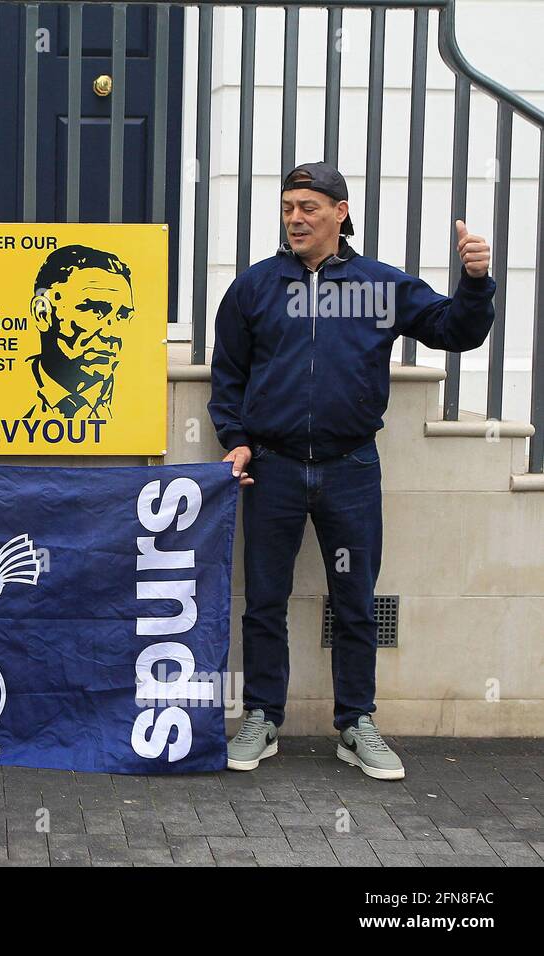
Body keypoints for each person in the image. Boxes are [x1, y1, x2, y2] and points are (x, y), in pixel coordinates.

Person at [209, 162, 495, 780]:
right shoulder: (255, 288)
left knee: (355, 602)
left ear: (341, 212)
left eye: (309, 207)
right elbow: (227, 375)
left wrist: (475, 281)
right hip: (274, 469)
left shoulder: (378, 285)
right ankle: (261, 716)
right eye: (288, 207)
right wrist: (235, 440)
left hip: (351, 468)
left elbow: (456, 330)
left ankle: (356, 723)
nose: (295, 218)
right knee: (264, 600)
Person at [25, 245, 135, 420]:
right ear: (43, 314)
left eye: (122, 316)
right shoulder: (2, 393)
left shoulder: (140, 401)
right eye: (94, 309)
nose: (112, 332)